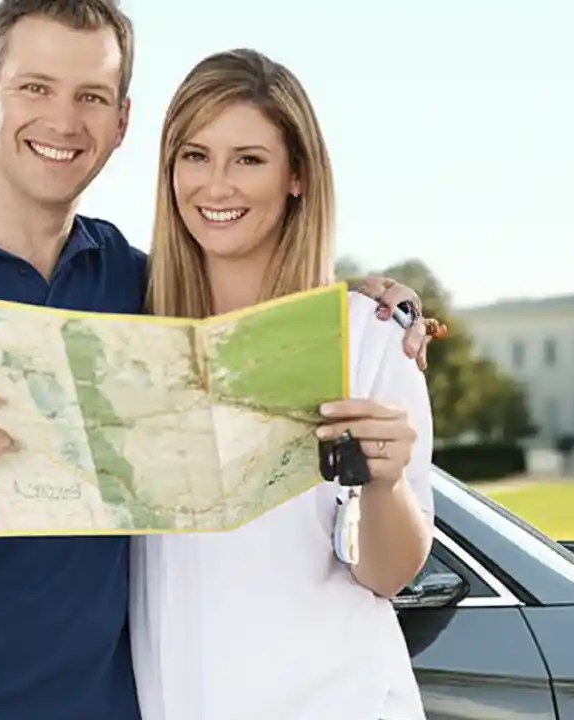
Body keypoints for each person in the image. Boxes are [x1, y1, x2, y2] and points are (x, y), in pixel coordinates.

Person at [0, 3, 431, 719]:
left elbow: (250, 292)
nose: (62, 121)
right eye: (35, 87)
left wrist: (372, 305)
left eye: (91, 97)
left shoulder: (133, 287)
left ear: (122, 123)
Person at [128, 48, 435, 720]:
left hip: (338, 700)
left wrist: (383, 482)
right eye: (194, 155)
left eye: (249, 159)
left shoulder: (372, 335)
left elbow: (386, 574)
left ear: (296, 175)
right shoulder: (128, 337)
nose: (217, 185)